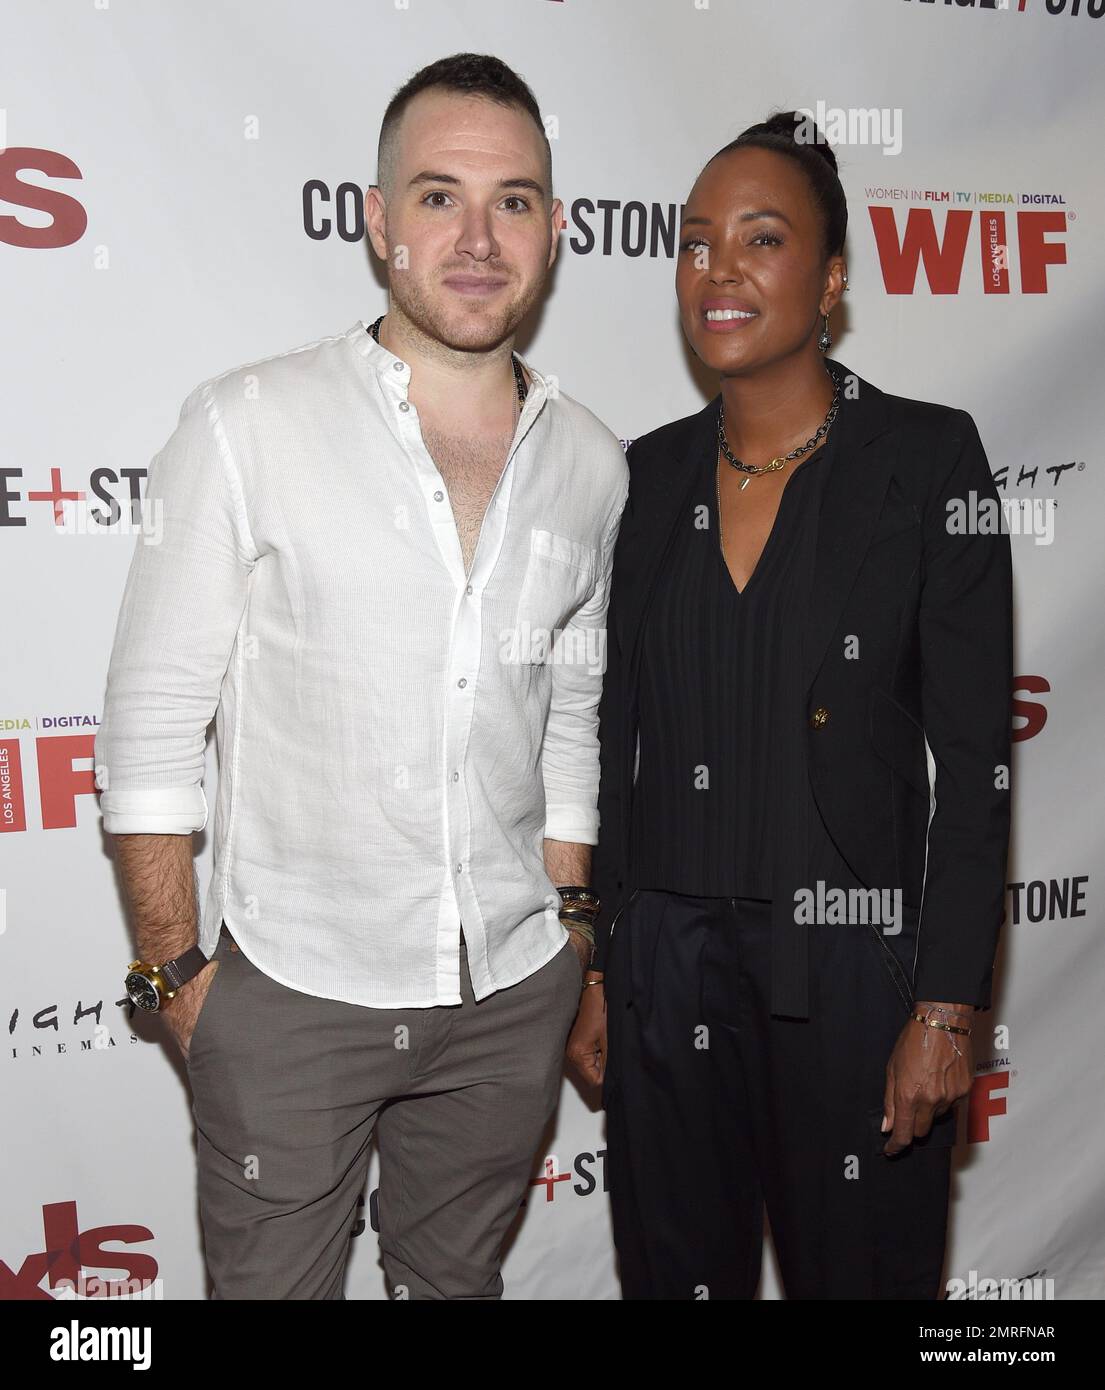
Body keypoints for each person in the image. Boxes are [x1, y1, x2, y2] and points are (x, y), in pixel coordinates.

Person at [95, 52, 628, 1300]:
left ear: (551, 230)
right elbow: (153, 723)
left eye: (512, 200)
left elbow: (570, 723)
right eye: (439, 196)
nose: (479, 237)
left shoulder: (593, 466)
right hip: (288, 989)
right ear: (379, 222)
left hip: (509, 993)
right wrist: (179, 979)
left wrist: (569, 932)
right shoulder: (247, 424)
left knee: (452, 1286)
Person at [567, 111, 1013, 1299]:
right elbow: (606, 743)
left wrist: (946, 1003)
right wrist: (599, 964)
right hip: (665, 970)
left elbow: (976, 766)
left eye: (759, 240)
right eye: (696, 240)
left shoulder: (926, 462)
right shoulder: (641, 476)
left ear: (829, 281)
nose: (718, 268)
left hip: (854, 971)